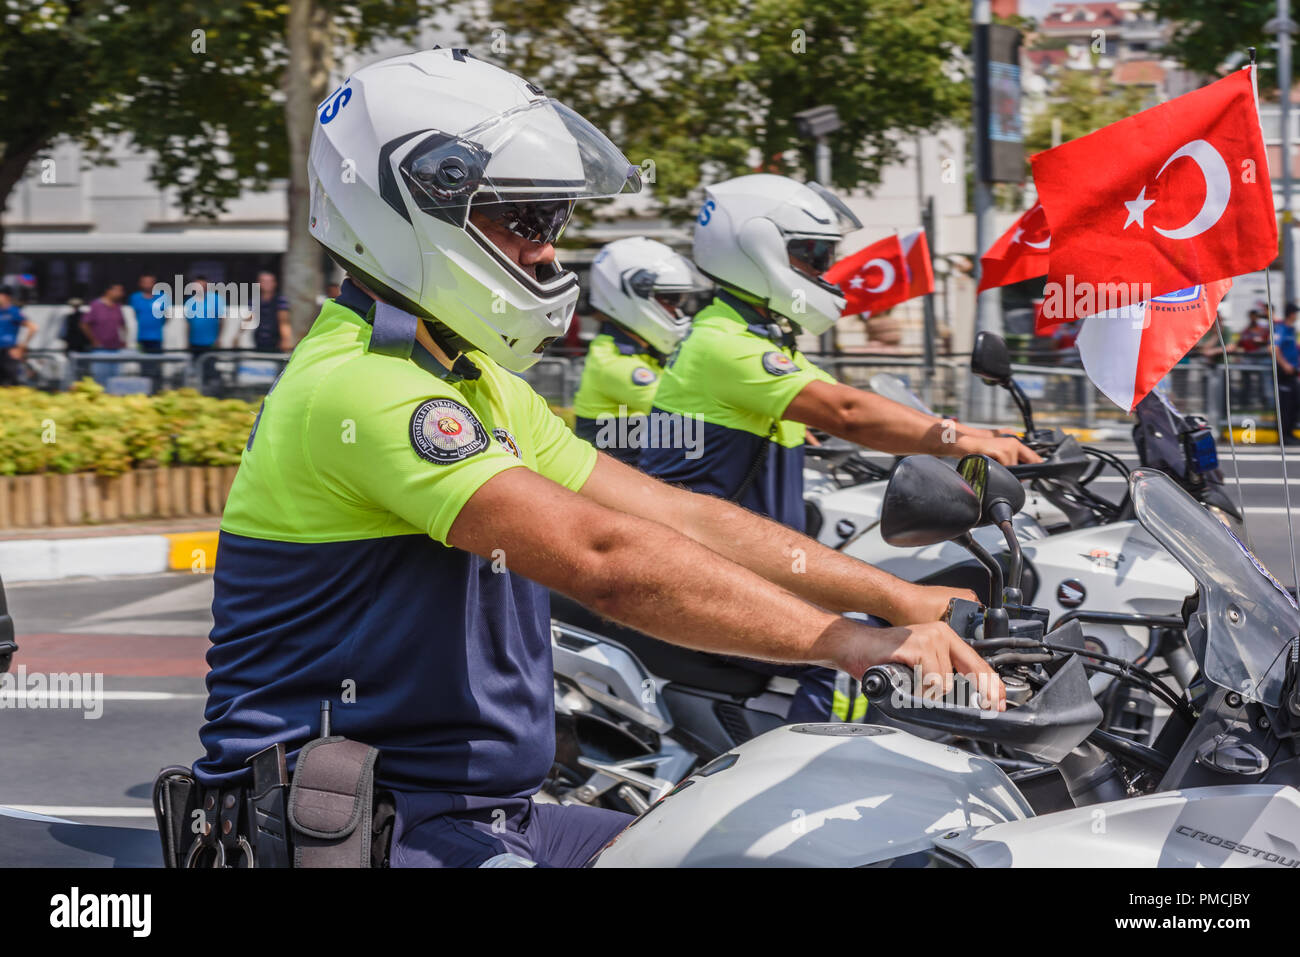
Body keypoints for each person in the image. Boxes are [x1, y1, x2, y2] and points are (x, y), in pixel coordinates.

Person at [191, 49, 1004, 869]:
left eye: (553, 224)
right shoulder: (361, 387)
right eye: (523, 221)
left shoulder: (469, 377)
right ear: (407, 208)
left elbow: (674, 512)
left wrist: (902, 599)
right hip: (348, 826)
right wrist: (853, 644)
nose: (549, 255)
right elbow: (605, 557)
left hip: (476, 810)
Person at [639, 173, 1040, 722]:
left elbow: (849, 405)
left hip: (745, 556)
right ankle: (819, 778)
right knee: (863, 643)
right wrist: (966, 440)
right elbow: (847, 413)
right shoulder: (723, 343)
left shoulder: (756, 335)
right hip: (710, 562)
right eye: (811, 255)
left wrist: (982, 434)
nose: (823, 271)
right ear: (757, 248)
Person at [572, 237, 710, 464]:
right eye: (670, 298)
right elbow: (689, 410)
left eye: (681, 300)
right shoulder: (616, 362)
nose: (676, 310)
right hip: (614, 492)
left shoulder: (643, 354)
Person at [82, 281, 127, 385]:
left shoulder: (117, 306)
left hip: (116, 350)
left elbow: (123, 325)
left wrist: (124, 340)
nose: (121, 293)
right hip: (100, 350)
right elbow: (84, 324)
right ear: (109, 291)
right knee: (100, 382)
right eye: (118, 290)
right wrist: (94, 340)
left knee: (115, 382)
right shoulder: (95, 305)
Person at [0, 285, 37, 386]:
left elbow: (33, 327)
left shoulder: (13, 311)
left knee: (10, 383)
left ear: (7, 296)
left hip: (9, 351)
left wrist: (21, 347)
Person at [1275, 303, 1300, 445]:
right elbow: (1274, 348)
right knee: (1285, 405)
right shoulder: (1281, 328)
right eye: (1295, 313)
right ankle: (1284, 436)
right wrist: (1285, 365)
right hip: (1284, 373)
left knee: (1295, 403)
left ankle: (1289, 433)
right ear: (1291, 314)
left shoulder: (1291, 330)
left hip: (1293, 373)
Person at [252, 271, 292, 352]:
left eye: (269, 281)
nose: (267, 284)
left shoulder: (280, 301)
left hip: (274, 342)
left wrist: (286, 340)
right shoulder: (253, 301)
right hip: (255, 342)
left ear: (275, 283)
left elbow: (284, 322)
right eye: (263, 281)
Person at [128, 274, 169, 353]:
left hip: (158, 337)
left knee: (156, 362)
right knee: (140, 362)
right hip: (139, 337)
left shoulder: (163, 297)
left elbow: (167, 316)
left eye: (150, 282)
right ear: (140, 284)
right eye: (145, 282)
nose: (147, 285)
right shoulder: (134, 297)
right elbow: (131, 316)